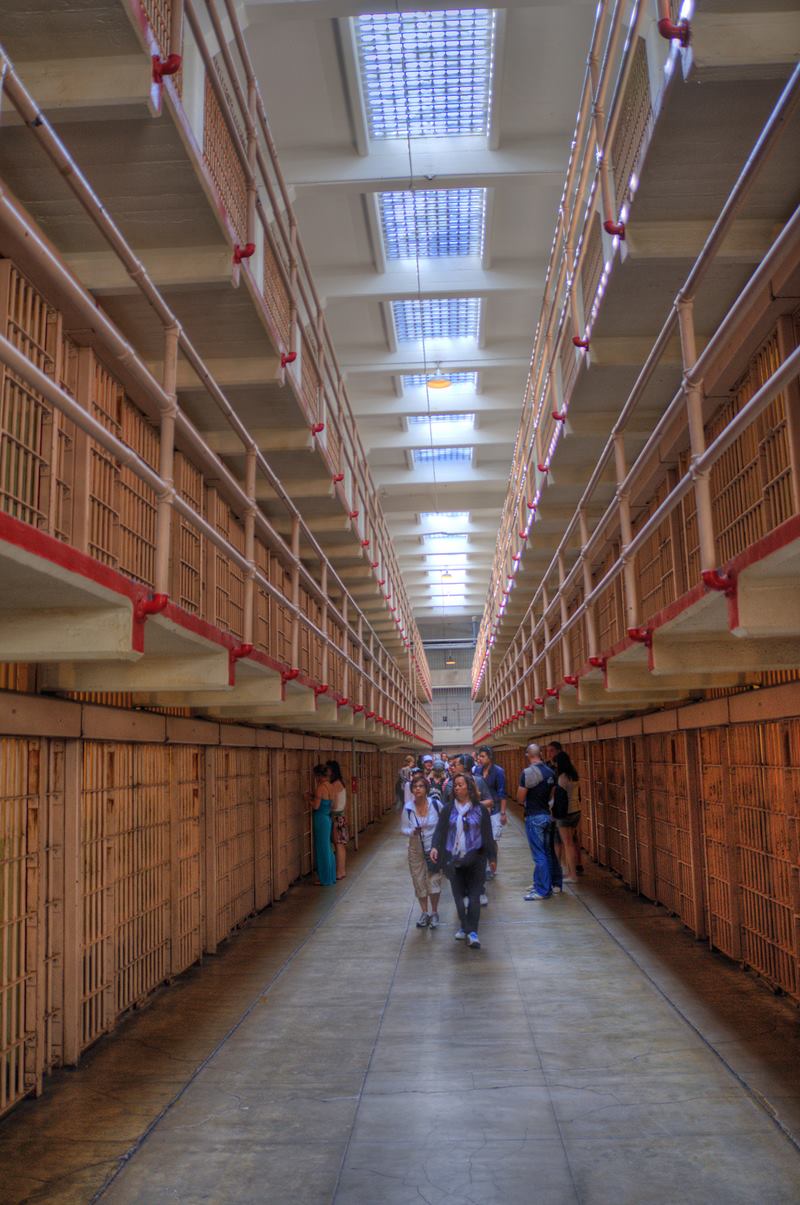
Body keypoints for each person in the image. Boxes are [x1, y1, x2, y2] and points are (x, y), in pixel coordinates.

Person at [430, 773, 497, 949]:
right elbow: (440, 831)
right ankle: (463, 925)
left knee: (474, 896)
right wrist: (435, 847)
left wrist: (492, 857)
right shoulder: (448, 809)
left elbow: (488, 834)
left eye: (460, 784)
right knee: (459, 898)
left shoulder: (480, 809)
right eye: (455, 785)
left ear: (468, 787)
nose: (457, 787)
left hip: (476, 857)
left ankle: (473, 932)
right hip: (454, 858)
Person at [517, 742, 561, 900]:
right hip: (547, 815)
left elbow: (520, 799)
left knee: (539, 855)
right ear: (540, 754)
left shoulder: (528, 773)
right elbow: (551, 796)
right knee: (549, 852)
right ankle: (553, 883)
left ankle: (542, 890)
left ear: (529, 755)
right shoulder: (551, 772)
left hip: (534, 816)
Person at [401, 772, 443, 929]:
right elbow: (403, 828)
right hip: (415, 846)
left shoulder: (436, 805)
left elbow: (443, 823)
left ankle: (434, 912)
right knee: (418, 879)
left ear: (426, 788)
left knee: (434, 878)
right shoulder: (408, 808)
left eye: (421, 786)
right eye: (415, 787)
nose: (417, 789)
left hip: (433, 845)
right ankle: (424, 913)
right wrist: (412, 831)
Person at [547, 741, 584, 874]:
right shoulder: (574, 775)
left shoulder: (562, 778)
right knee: (572, 842)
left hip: (565, 813)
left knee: (567, 844)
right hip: (576, 811)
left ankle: (571, 873)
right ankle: (576, 868)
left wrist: (554, 813)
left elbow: (560, 798)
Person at [308, 764, 336, 886]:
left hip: (320, 819)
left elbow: (316, 806)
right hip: (327, 818)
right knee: (328, 848)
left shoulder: (320, 788)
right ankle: (331, 876)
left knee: (321, 849)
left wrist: (307, 799)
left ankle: (324, 878)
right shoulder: (331, 786)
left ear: (319, 776)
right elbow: (332, 805)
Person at [325, 760, 348, 880]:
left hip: (336, 817)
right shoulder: (341, 783)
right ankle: (342, 870)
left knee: (338, 844)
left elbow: (333, 803)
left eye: (328, 769)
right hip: (341, 816)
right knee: (340, 845)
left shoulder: (335, 784)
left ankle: (339, 871)